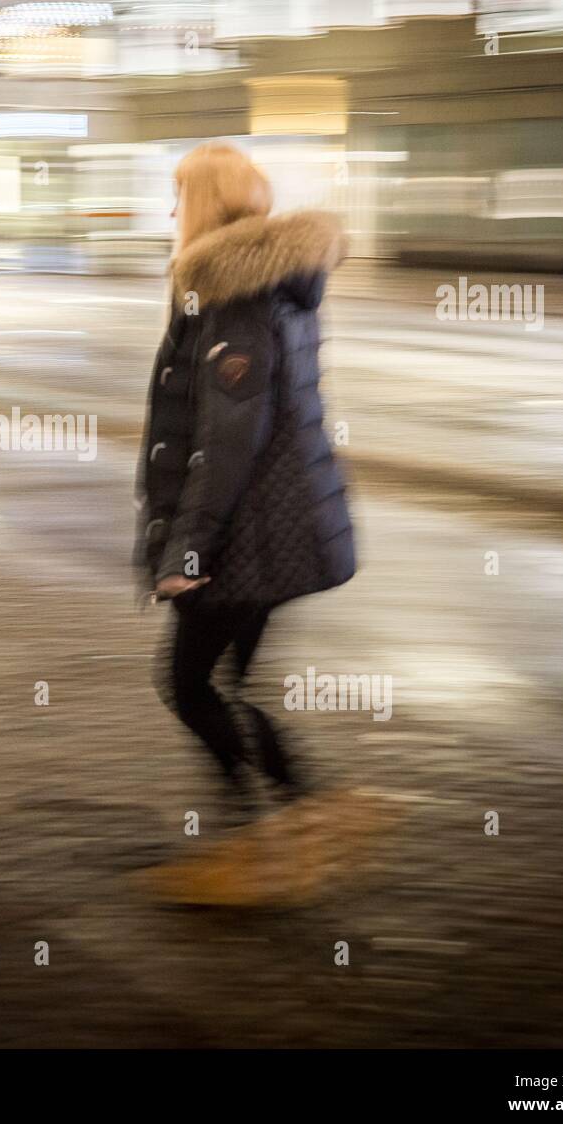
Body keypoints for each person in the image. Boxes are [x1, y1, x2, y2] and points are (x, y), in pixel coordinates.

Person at [135, 142, 355, 831]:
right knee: (229, 683)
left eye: (179, 195)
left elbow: (228, 438)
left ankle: (280, 821)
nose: (171, 210)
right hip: (279, 524)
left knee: (188, 684)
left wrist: (186, 555)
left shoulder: (230, 288)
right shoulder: (276, 277)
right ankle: (287, 818)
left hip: (244, 533)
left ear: (203, 202)